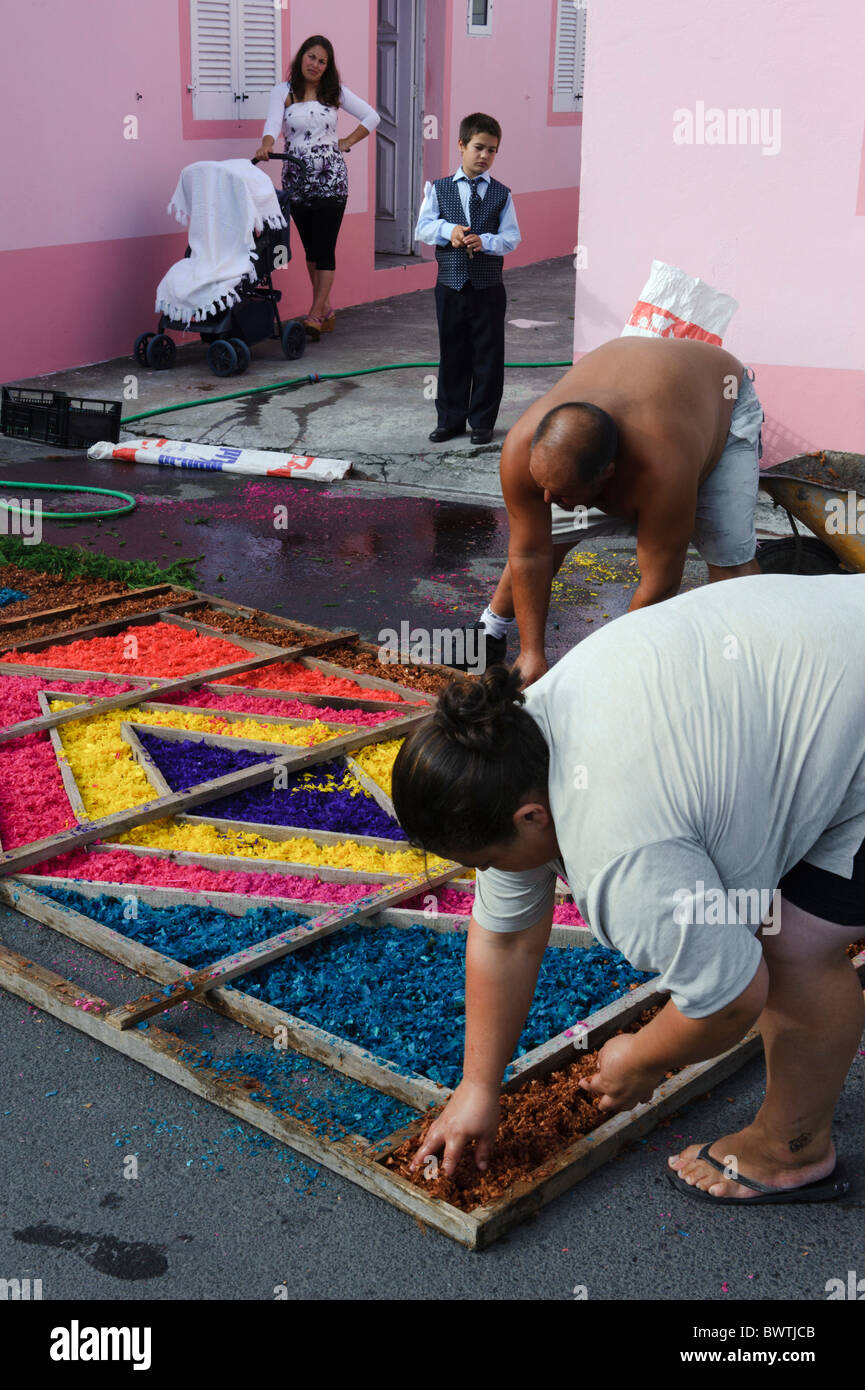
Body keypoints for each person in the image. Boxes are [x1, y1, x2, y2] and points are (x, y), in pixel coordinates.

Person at [391, 572, 865, 1204]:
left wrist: (641, 1059)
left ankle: (790, 1152)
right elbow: (505, 937)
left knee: (793, 947)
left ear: (528, 820)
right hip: (833, 640)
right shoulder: (512, 742)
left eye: (487, 859)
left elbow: (730, 997)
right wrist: (479, 1083)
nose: (496, 876)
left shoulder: (621, 851)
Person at [461, 336, 764, 683]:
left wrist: (610, 671)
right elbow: (530, 552)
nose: (545, 499)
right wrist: (531, 653)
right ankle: (491, 629)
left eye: (560, 494)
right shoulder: (520, 451)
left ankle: (742, 670)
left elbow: (659, 584)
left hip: (722, 397)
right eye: (543, 486)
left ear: (608, 475)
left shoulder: (662, 471)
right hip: (638, 382)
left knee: (730, 559)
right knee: (546, 538)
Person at [255, 35, 379, 339]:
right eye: (312, 57)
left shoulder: (333, 92)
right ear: (301, 58)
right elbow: (272, 125)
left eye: (322, 61)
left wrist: (348, 141)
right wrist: (266, 144)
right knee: (310, 249)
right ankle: (327, 309)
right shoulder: (284, 92)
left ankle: (314, 314)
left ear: (328, 67)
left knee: (324, 247)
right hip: (296, 180)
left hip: (331, 180)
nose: (316, 65)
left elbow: (371, 116)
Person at [415, 113, 521, 446]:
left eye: (492, 150)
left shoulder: (502, 193)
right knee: (453, 352)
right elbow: (423, 228)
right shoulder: (440, 188)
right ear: (461, 145)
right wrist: (450, 231)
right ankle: (450, 420)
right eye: (478, 147)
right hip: (450, 286)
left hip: (488, 288)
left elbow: (512, 237)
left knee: (488, 355)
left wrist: (485, 241)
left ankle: (482, 421)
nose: (484, 156)